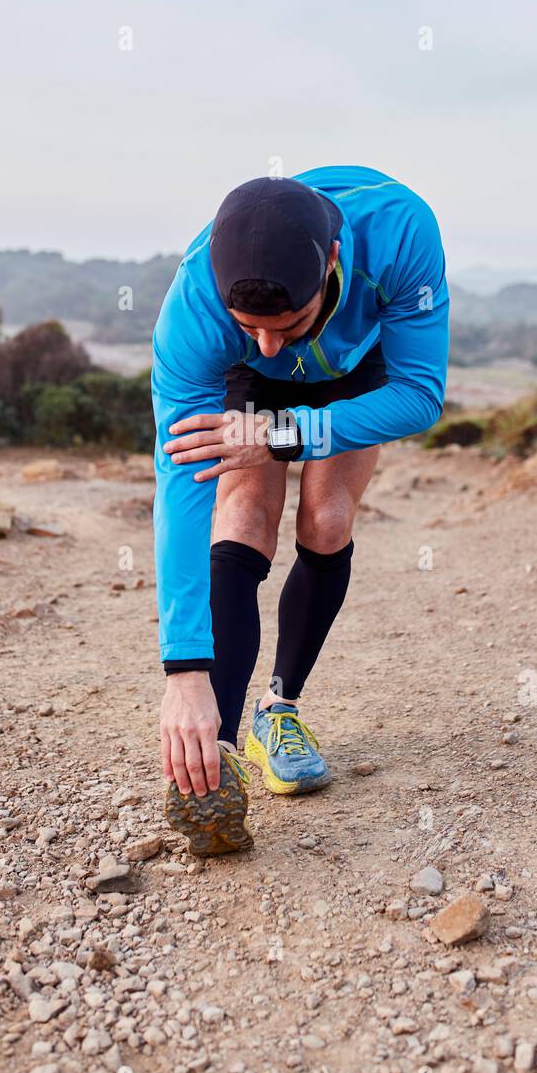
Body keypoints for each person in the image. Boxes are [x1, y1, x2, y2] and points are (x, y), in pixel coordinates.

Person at [151, 166, 449, 854]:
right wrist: (184, 671)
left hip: (359, 371)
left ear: (333, 264)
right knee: (244, 514)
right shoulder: (197, 310)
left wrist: (284, 434)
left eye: (285, 326)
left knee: (327, 517)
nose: (269, 344)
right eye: (249, 326)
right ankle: (218, 743)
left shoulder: (401, 232)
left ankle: (278, 709)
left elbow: (421, 394)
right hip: (250, 390)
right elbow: (182, 483)